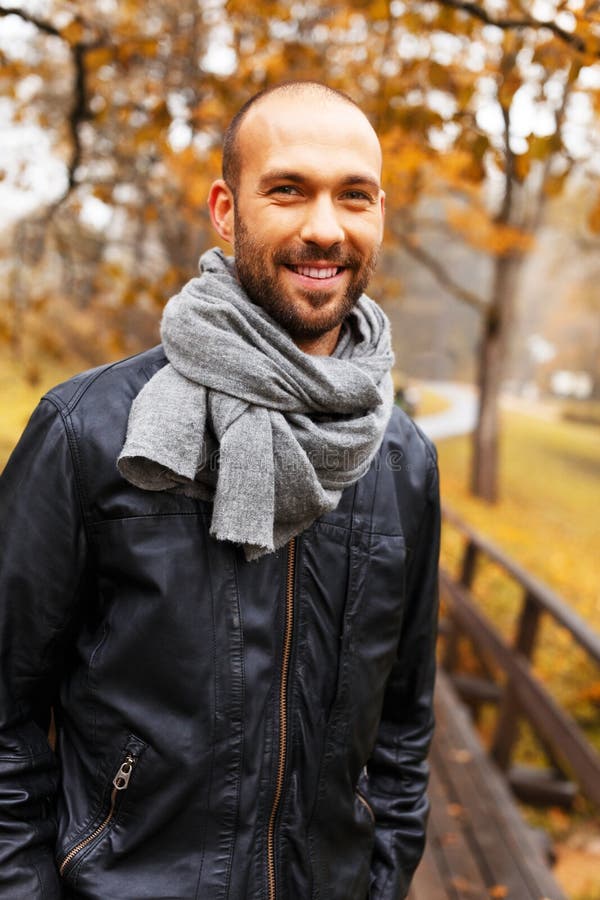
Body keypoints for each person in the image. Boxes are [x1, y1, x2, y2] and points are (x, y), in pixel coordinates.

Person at [0, 81, 440, 900]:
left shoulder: (401, 458)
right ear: (226, 210)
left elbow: (405, 724)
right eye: (288, 190)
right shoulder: (88, 433)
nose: (324, 227)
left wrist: (381, 883)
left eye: (354, 196)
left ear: (380, 215)